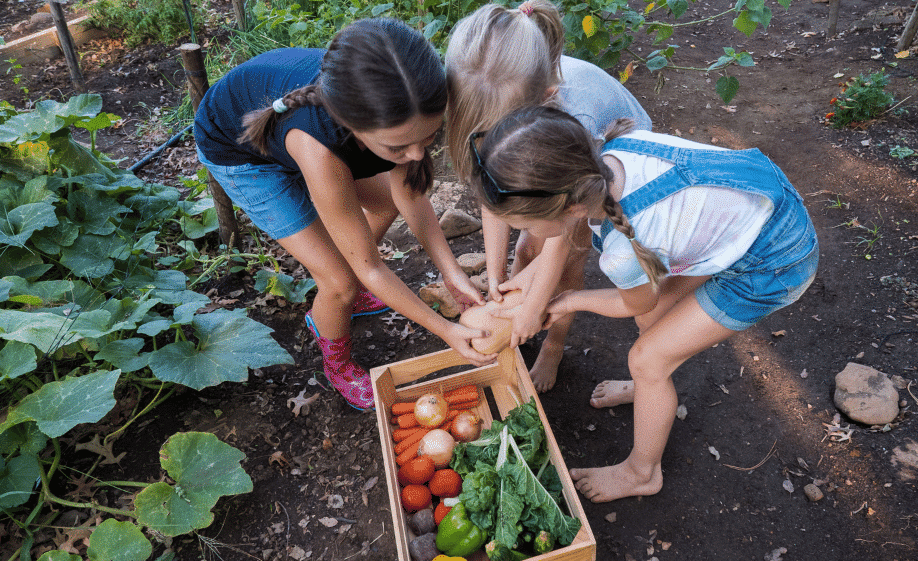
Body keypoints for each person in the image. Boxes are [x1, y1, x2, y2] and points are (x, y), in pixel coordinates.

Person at [468, 106, 819, 502]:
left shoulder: (623, 249)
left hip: (772, 261)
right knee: (655, 322)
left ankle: (642, 472)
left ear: (570, 208)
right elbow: (570, 243)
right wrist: (525, 285)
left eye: (527, 226)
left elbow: (634, 303)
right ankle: (647, 390)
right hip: (755, 204)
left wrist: (567, 301)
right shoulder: (606, 160)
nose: (526, 234)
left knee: (647, 359)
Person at [194, 18, 493, 411]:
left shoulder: (400, 108)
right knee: (339, 282)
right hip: (239, 150)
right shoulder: (321, 149)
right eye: (399, 148)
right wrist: (446, 330)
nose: (417, 154)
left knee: (383, 204)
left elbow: (410, 199)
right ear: (354, 127)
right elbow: (373, 268)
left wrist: (452, 274)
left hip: (297, 133)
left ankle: (346, 289)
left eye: (428, 137)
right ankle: (337, 363)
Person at [445, 0, 652, 392]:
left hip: (606, 166)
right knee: (527, 249)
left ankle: (554, 346)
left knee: (567, 260)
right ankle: (518, 317)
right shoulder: (496, 99)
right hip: (553, 165)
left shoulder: (576, 122)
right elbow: (493, 194)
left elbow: (564, 238)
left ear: (545, 99)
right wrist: (496, 274)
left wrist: (537, 304)